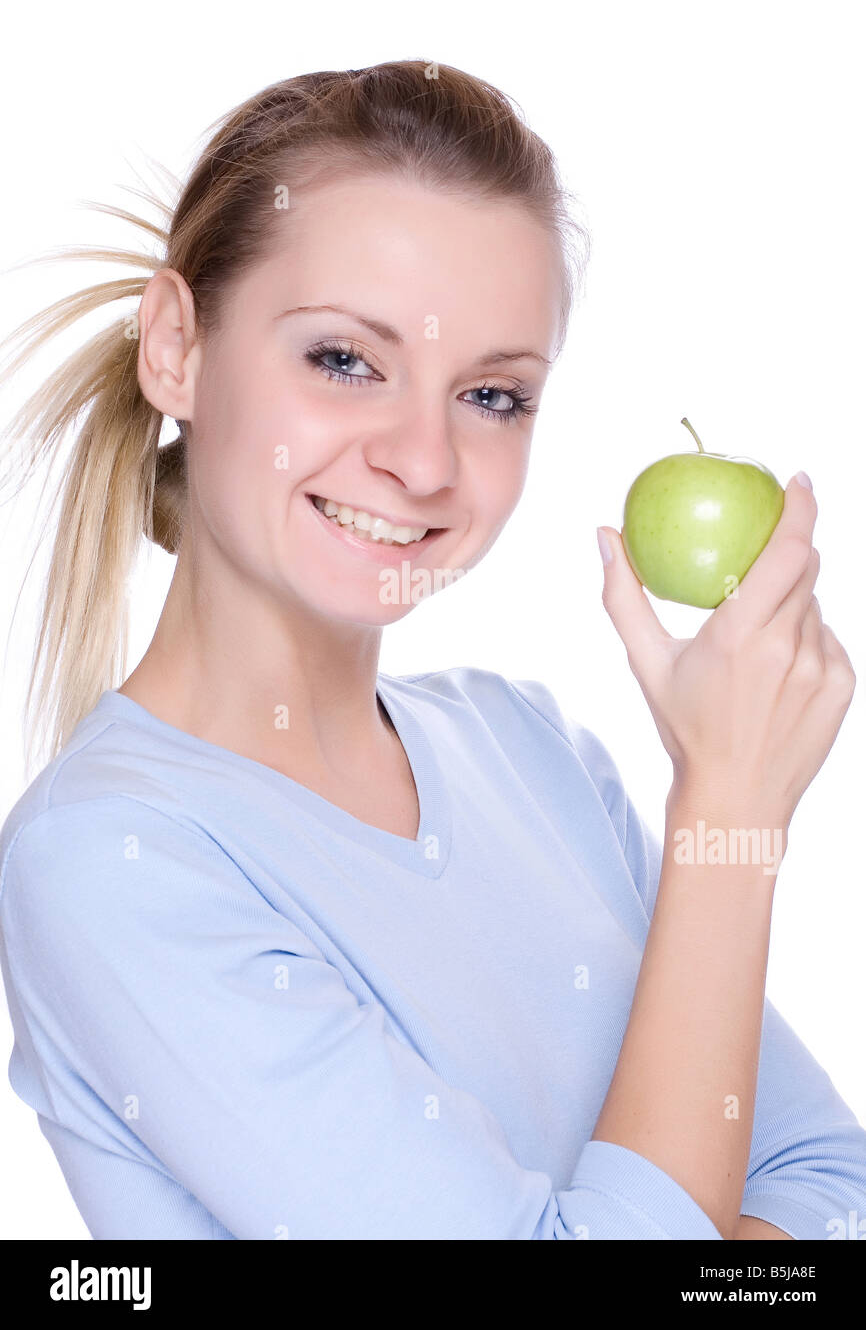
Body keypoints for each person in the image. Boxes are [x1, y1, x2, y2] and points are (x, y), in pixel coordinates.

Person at [0, 60, 862, 1242]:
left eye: (493, 395)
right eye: (344, 360)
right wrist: (732, 809)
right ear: (175, 349)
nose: (423, 460)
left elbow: (834, 1189)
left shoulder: (533, 752)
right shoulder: (114, 859)